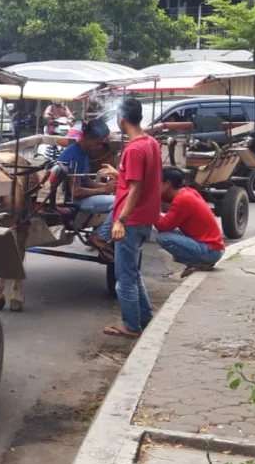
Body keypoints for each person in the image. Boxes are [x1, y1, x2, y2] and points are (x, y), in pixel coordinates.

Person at [96, 97, 163, 339]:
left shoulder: (133, 149)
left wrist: (120, 221)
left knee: (123, 278)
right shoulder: (151, 143)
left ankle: (131, 326)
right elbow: (139, 180)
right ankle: (144, 317)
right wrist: (119, 173)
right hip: (145, 218)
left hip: (131, 221)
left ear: (121, 120)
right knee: (133, 273)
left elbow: (135, 189)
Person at [155, 167, 224, 277]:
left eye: (158, 183)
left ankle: (198, 263)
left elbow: (163, 225)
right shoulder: (187, 192)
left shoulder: (182, 200)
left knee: (163, 238)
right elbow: (166, 201)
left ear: (167, 184)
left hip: (210, 251)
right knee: (170, 233)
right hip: (213, 248)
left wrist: (152, 209)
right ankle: (200, 261)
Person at [57, 118, 115, 215]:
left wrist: (108, 187)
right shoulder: (74, 156)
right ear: (88, 138)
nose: (100, 146)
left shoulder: (84, 151)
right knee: (119, 203)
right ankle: (103, 230)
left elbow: (86, 180)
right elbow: (75, 192)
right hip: (74, 201)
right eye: (98, 143)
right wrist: (103, 190)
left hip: (82, 196)